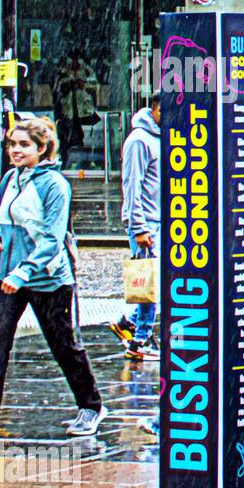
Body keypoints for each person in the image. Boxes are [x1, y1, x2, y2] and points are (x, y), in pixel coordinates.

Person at [0, 118, 107, 442]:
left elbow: (51, 239)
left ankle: (91, 405)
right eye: (12, 145)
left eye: (23, 145)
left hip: (46, 279)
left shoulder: (54, 185)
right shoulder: (10, 178)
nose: (15, 151)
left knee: (64, 345)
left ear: (41, 148)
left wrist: (23, 273)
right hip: (5, 275)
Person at [107, 98, 163, 361]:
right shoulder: (139, 140)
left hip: (157, 220)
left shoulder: (159, 137)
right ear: (157, 109)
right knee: (151, 281)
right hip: (147, 223)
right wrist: (138, 226)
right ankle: (140, 339)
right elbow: (132, 185)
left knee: (153, 281)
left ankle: (128, 323)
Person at [52, 51, 100, 168]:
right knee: (66, 140)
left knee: (87, 140)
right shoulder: (62, 72)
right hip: (67, 112)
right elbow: (56, 89)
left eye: (77, 60)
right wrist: (67, 84)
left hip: (85, 112)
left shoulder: (88, 71)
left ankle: (88, 162)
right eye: (71, 60)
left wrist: (83, 84)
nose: (74, 63)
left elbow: (96, 86)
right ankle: (66, 162)